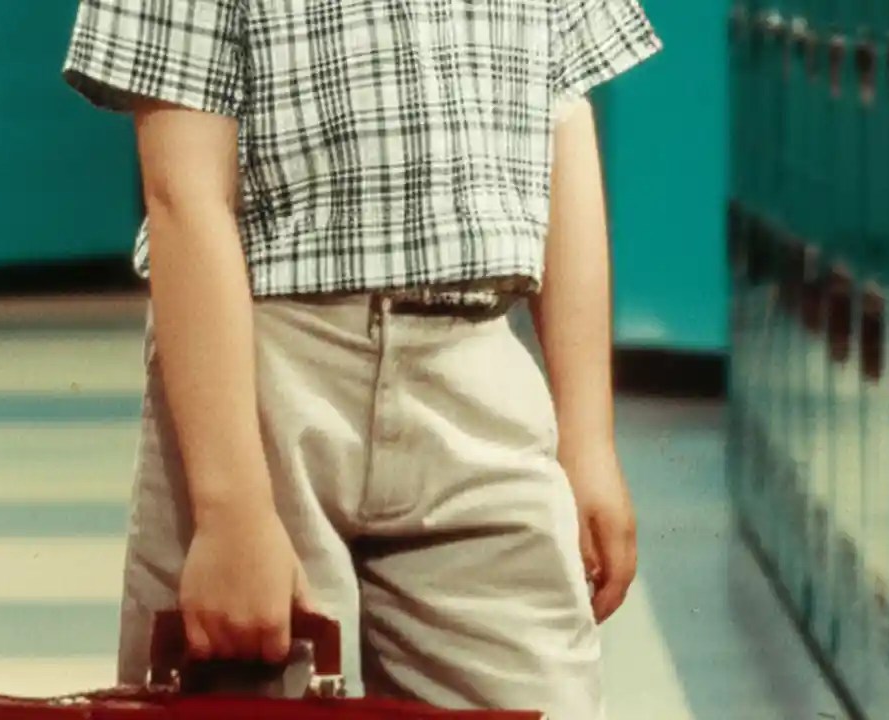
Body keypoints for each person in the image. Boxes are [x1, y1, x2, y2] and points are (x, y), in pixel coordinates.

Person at [62, 1, 661, 716]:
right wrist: (230, 510)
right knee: (246, 695)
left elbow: (562, 119)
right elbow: (183, 192)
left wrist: (588, 439)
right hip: (265, 381)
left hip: (476, 374)